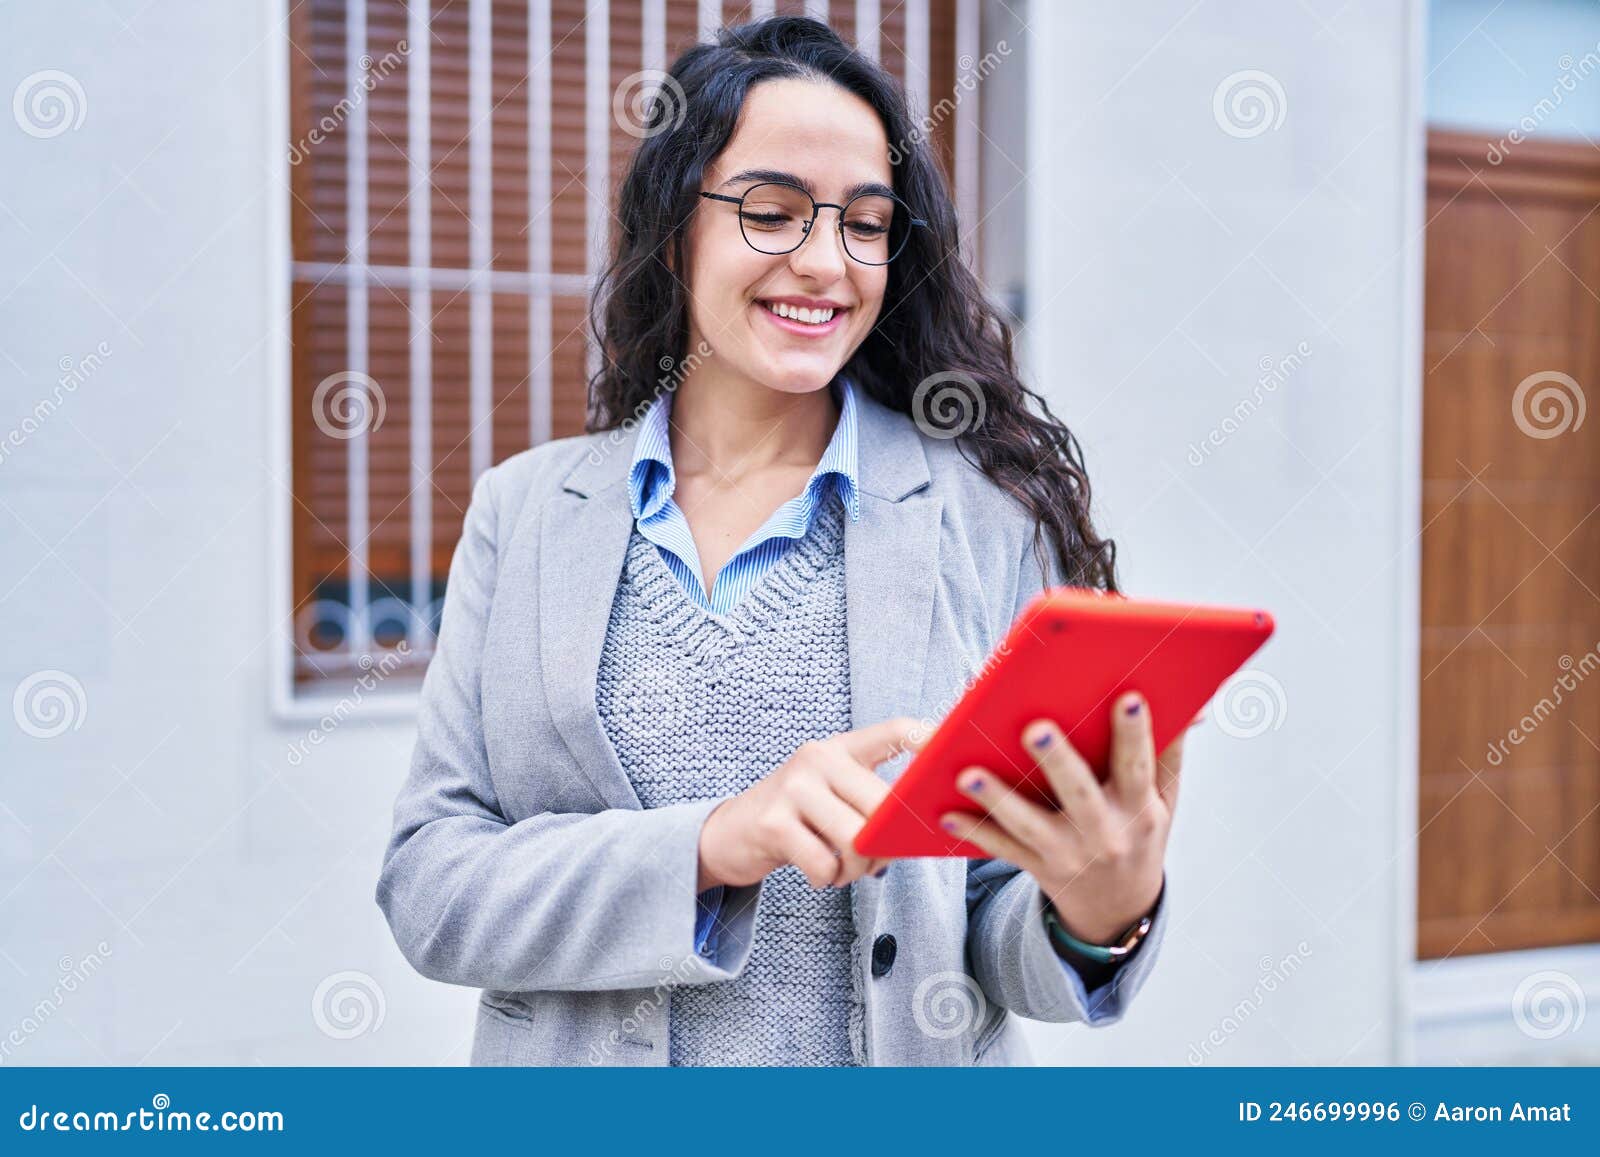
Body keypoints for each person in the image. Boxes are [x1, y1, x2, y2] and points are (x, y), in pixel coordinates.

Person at [377, 15, 1187, 1067]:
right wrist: (715, 842)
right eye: (771, 213)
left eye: (866, 224)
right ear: (677, 226)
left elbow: (991, 933)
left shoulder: (987, 515)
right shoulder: (523, 513)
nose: (824, 263)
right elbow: (431, 886)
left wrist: (1097, 912)